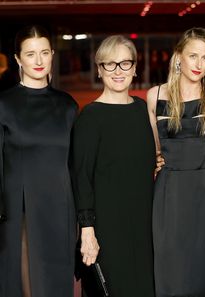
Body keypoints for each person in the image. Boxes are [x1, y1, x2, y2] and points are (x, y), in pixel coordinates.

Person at [72, 35, 156, 297]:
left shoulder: (143, 110)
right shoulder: (90, 116)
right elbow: (81, 176)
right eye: (110, 64)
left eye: (124, 63)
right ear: (99, 69)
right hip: (107, 228)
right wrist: (87, 231)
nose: (118, 71)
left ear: (134, 68)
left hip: (145, 225)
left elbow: (148, 158)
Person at [0, 25, 78, 297]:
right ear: (18, 59)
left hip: (60, 208)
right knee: (25, 284)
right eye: (30, 54)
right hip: (18, 210)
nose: (39, 60)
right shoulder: (4, 104)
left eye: (44, 52)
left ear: (52, 54)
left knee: (56, 282)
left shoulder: (67, 105)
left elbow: (75, 164)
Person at [146, 27, 205, 297]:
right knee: (170, 266)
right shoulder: (155, 95)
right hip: (170, 192)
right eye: (193, 56)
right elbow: (155, 147)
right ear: (179, 56)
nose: (199, 64)